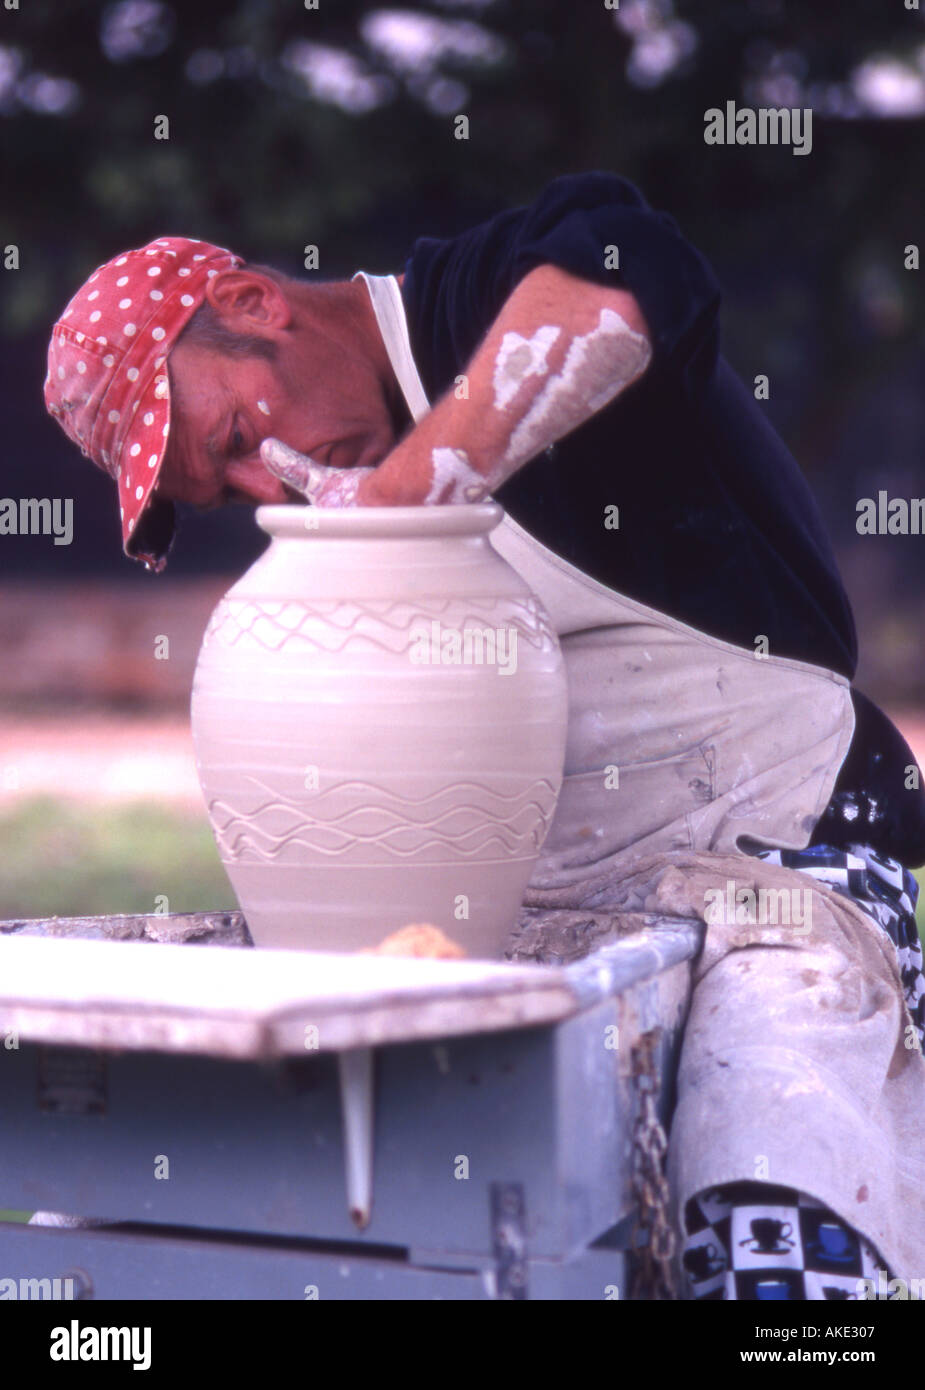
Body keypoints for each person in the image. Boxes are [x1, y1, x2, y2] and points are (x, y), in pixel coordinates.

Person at [43, 172, 925, 1299]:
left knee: (770, 1194)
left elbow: (630, 270)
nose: (274, 484)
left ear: (257, 303)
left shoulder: (477, 302)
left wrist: (410, 496)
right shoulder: (314, 544)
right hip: (542, 917)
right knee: (159, 1207)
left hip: (782, 865)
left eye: (235, 433)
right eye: (228, 488)